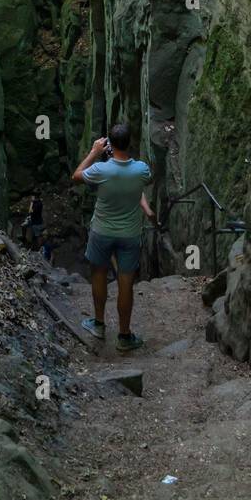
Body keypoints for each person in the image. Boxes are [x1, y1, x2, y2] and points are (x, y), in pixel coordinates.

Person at [71, 124, 155, 351]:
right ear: (130, 142)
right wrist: (147, 211)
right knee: (125, 282)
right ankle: (124, 336)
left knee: (98, 274)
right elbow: (138, 187)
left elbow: (76, 176)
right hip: (129, 234)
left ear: (109, 145)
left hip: (102, 231)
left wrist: (94, 152)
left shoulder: (101, 170)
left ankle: (98, 324)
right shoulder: (141, 170)